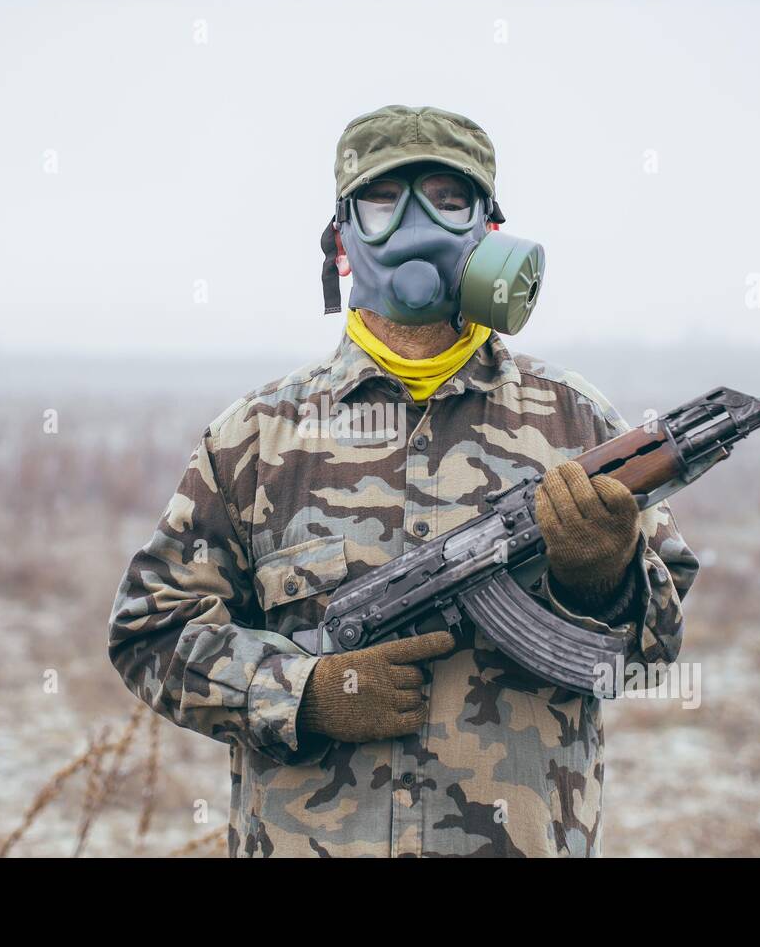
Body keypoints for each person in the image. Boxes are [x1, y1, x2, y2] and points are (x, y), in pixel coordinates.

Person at [109, 105, 698, 857]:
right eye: (384, 201)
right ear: (342, 239)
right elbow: (149, 636)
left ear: (490, 231)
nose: (417, 224)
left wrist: (601, 582)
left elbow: (647, 660)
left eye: (448, 199)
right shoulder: (254, 439)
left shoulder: (577, 426)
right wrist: (304, 694)